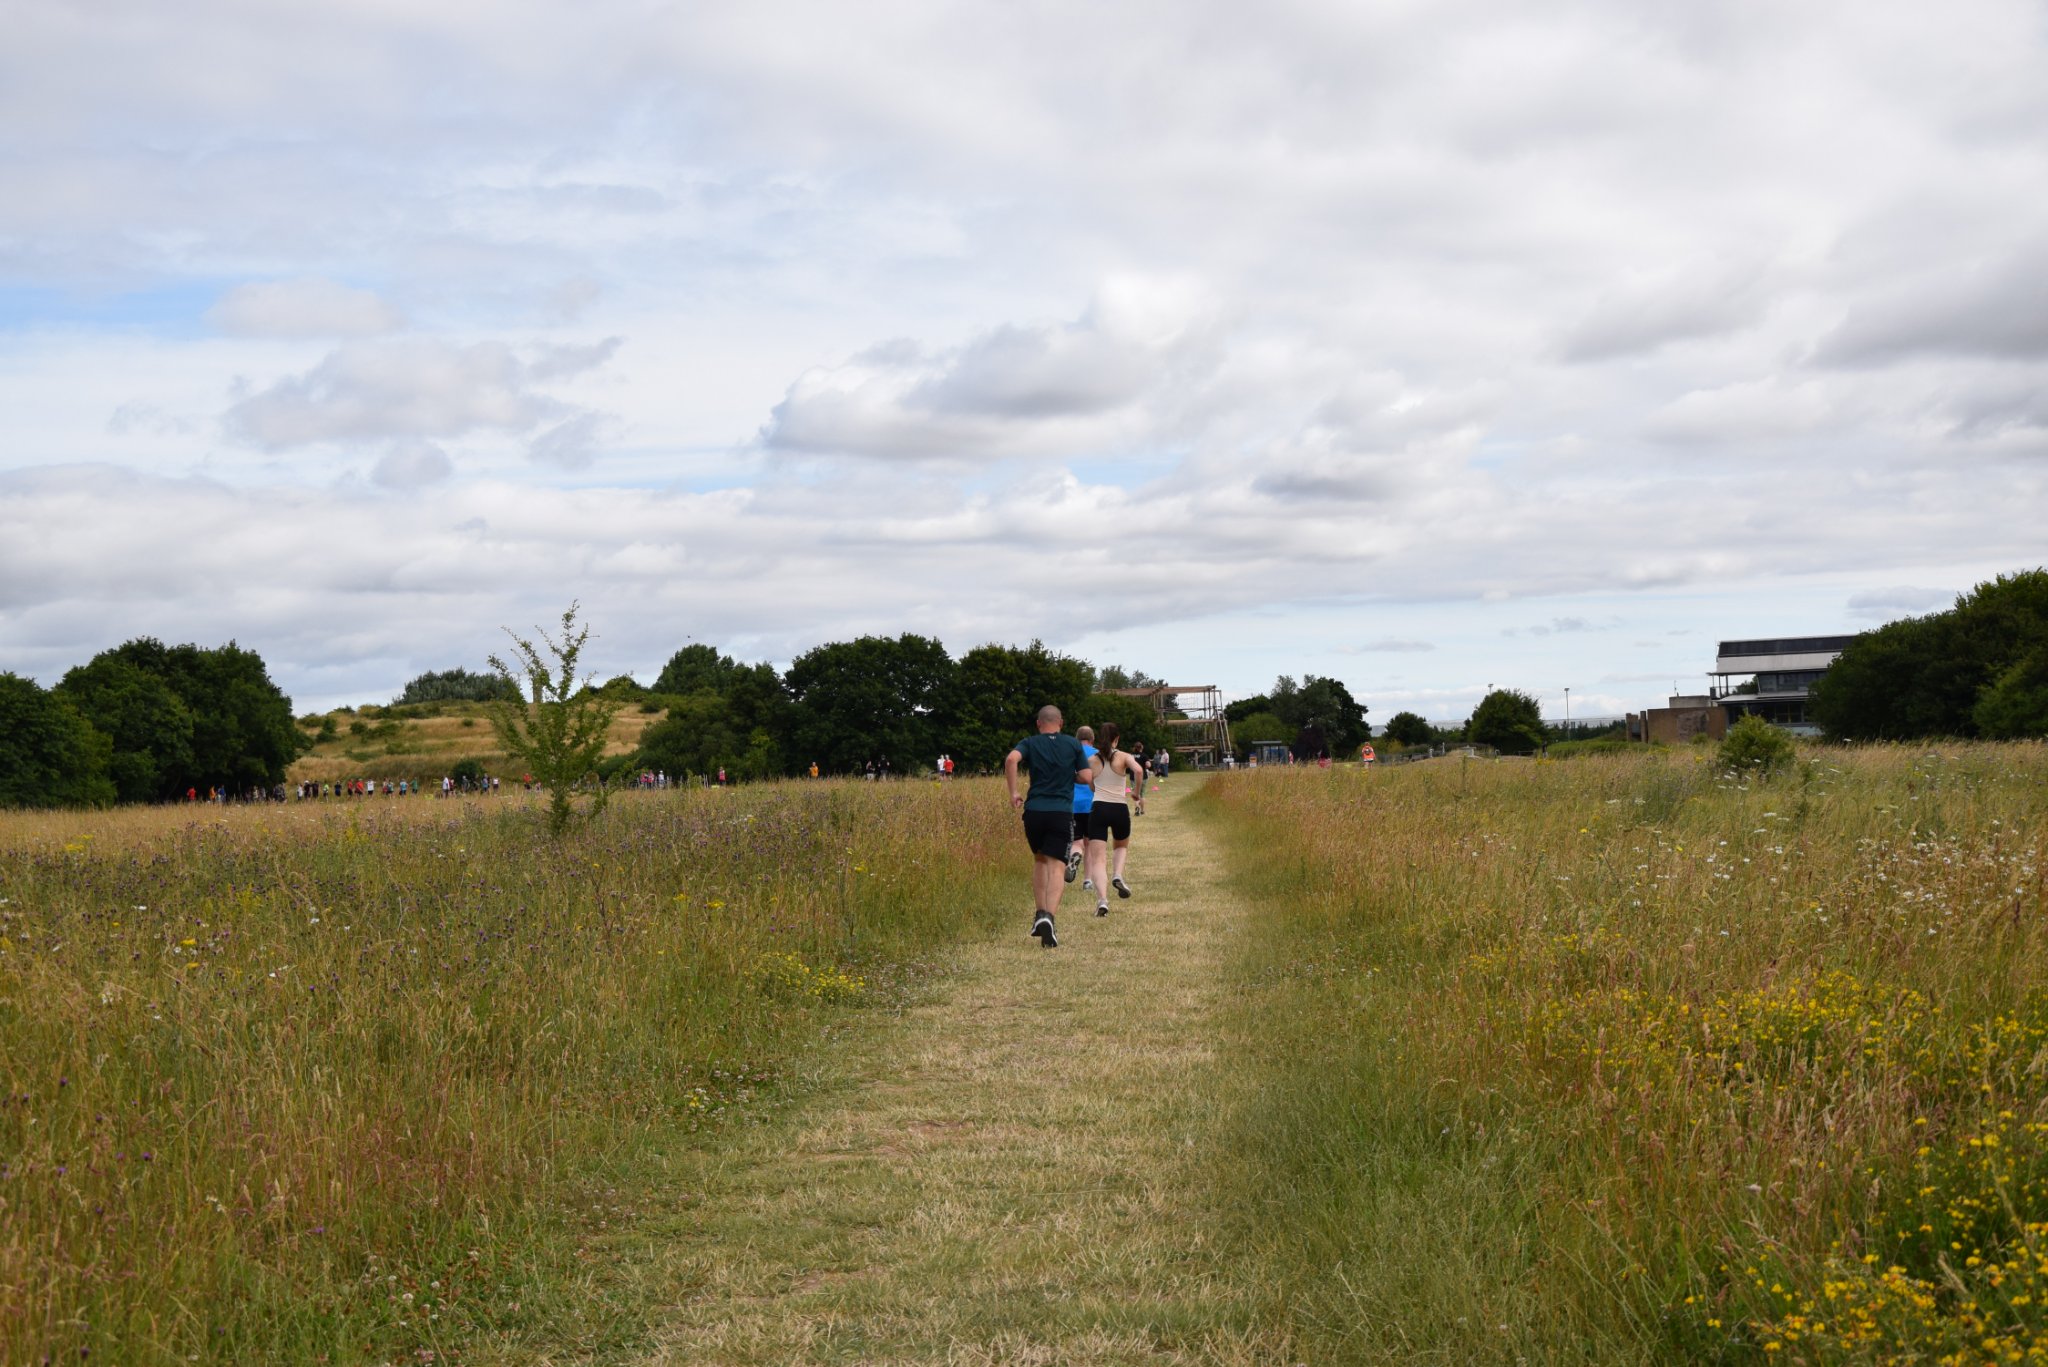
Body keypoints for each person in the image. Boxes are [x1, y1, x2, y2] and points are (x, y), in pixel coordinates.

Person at [1005, 705, 1095, 948]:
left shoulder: (1031, 742)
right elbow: (1086, 777)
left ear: (1038, 724)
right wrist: (1070, 775)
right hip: (1060, 812)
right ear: (1061, 722)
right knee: (1057, 866)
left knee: (1040, 861)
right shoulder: (1073, 744)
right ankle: (1048, 918)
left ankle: (1039, 914)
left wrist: (1013, 792)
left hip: (1033, 812)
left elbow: (1011, 759)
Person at [1083, 722, 1147, 916]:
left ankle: (1102, 900)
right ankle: (1118, 875)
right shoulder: (1124, 756)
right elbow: (1138, 771)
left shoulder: (1092, 760)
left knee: (1098, 860)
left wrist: (1096, 789)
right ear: (1116, 739)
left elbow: (1089, 783)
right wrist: (1135, 793)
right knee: (1120, 847)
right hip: (1119, 808)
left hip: (1099, 808)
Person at [1066, 726, 1098, 886]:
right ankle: (1088, 881)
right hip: (1092, 803)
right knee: (1090, 843)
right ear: (1092, 740)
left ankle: (1074, 855)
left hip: (1073, 804)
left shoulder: (1069, 753)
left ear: (1076, 739)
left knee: (1077, 842)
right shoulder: (1098, 755)